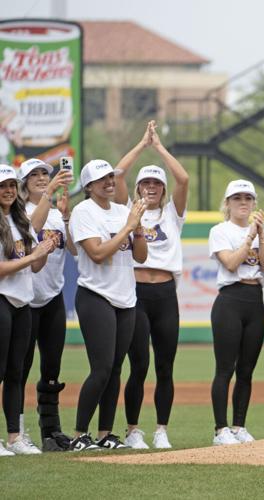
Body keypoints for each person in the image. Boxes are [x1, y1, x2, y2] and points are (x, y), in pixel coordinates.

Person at [112, 121, 189, 450]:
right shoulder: (130, 210)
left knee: (165, 365)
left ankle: (161, 429)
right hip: (137, 293)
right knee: (139, 364)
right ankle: (133, 430)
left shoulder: (174, 213)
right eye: (146, 182)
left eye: (157, 182)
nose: (152, 187)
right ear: (139, 187)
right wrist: (142, 145)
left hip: (165, 294)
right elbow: (116, 175)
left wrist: (159, 147)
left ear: (163, 188)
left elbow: (183, 178)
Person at [69, 160, 148, 451]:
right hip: (95, 295)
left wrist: (136, 228)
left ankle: (104, 434)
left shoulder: (123, 211)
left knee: (115, 369)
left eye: (111, 177)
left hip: (125, 298)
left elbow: (140, 256)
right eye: (101, 179)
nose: (109, 182)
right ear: (89, 186)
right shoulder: (83, 211)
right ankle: (79, 436)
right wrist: (129, 225)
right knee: (100, 368)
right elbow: (97, 253)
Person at [17, 158, 75, 452]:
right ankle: (18, 433)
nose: (41, 178)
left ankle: (51, 431)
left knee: (52, 367)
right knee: (20, 369)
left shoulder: (56, 213)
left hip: (53, 298)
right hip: (25, 300)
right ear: (24, 183)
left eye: (45, 173)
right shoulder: (18, 211)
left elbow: (74, 249)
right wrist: (50, 191)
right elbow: (28, 232)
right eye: (34, 175)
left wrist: (65, 219)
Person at [208, 180, 264, 445]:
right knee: (225, 368)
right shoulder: (220, 230)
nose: (243, 202)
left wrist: (262, 234)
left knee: (246, 370)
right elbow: (232, 263)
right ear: (228, 203)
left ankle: (239, 426)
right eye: (237, 198)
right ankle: (220, 429)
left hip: (255, 300)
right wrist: (249, 238)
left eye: (248, 198)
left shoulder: (259, 231)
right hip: (230, 300)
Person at [0, 164, 53, 456]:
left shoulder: (22, 221)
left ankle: (14, 437)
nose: (8, 190)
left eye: (10, 185)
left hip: (22, 301)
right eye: (2, 186)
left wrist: (43, 251)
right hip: (2, 298)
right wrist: (33, 255)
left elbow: (34, 266)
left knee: (16, 373)